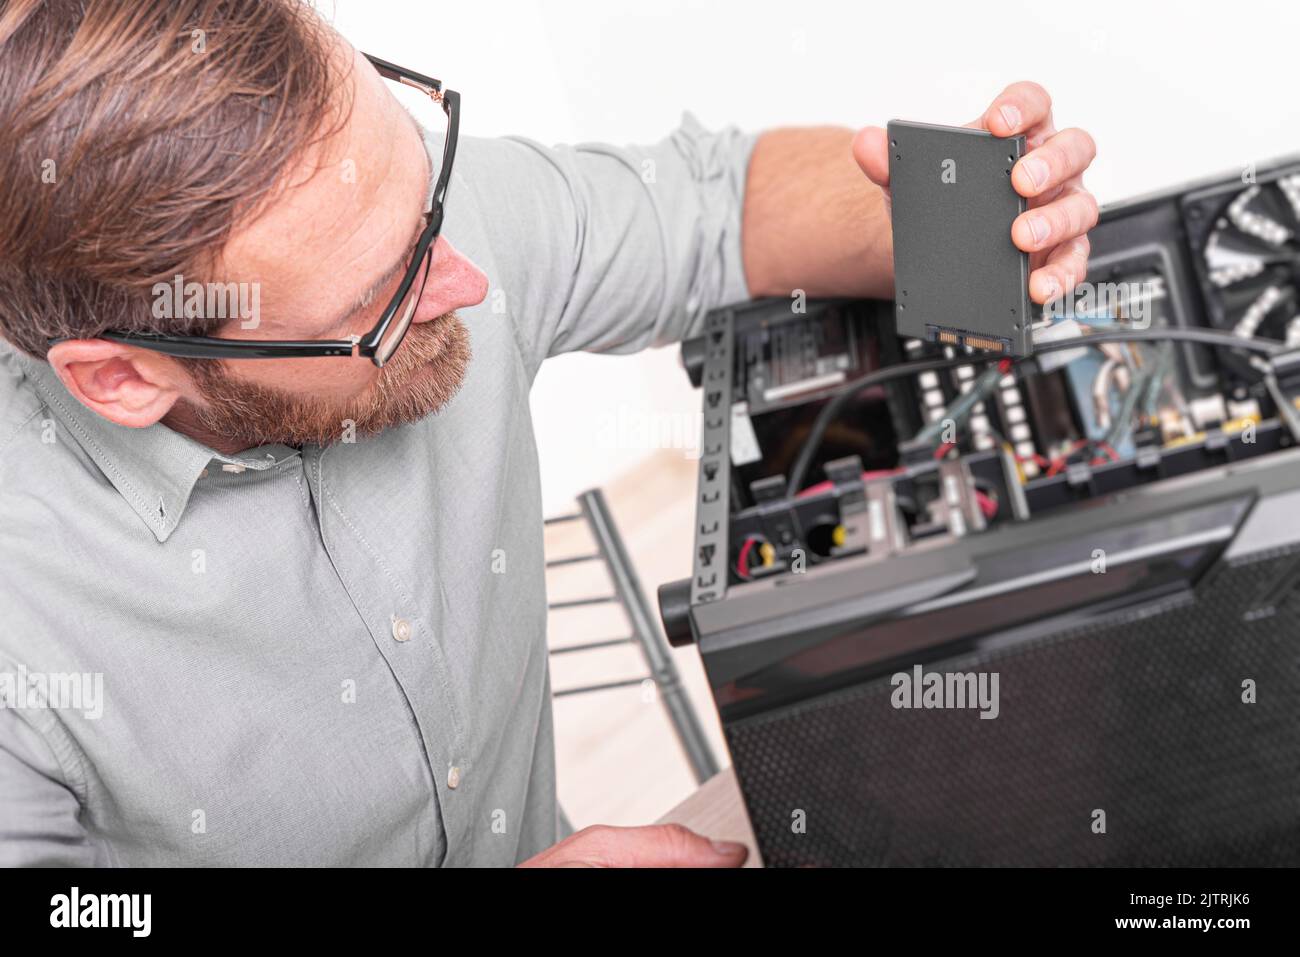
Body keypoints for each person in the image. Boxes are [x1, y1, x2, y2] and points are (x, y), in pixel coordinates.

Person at [0, 0, 1097, 866]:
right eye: (377, 305)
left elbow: (721, 205)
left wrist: (973, 228)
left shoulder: (404, 233)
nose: (469, 281)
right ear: (124, 377)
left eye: (429, 206)